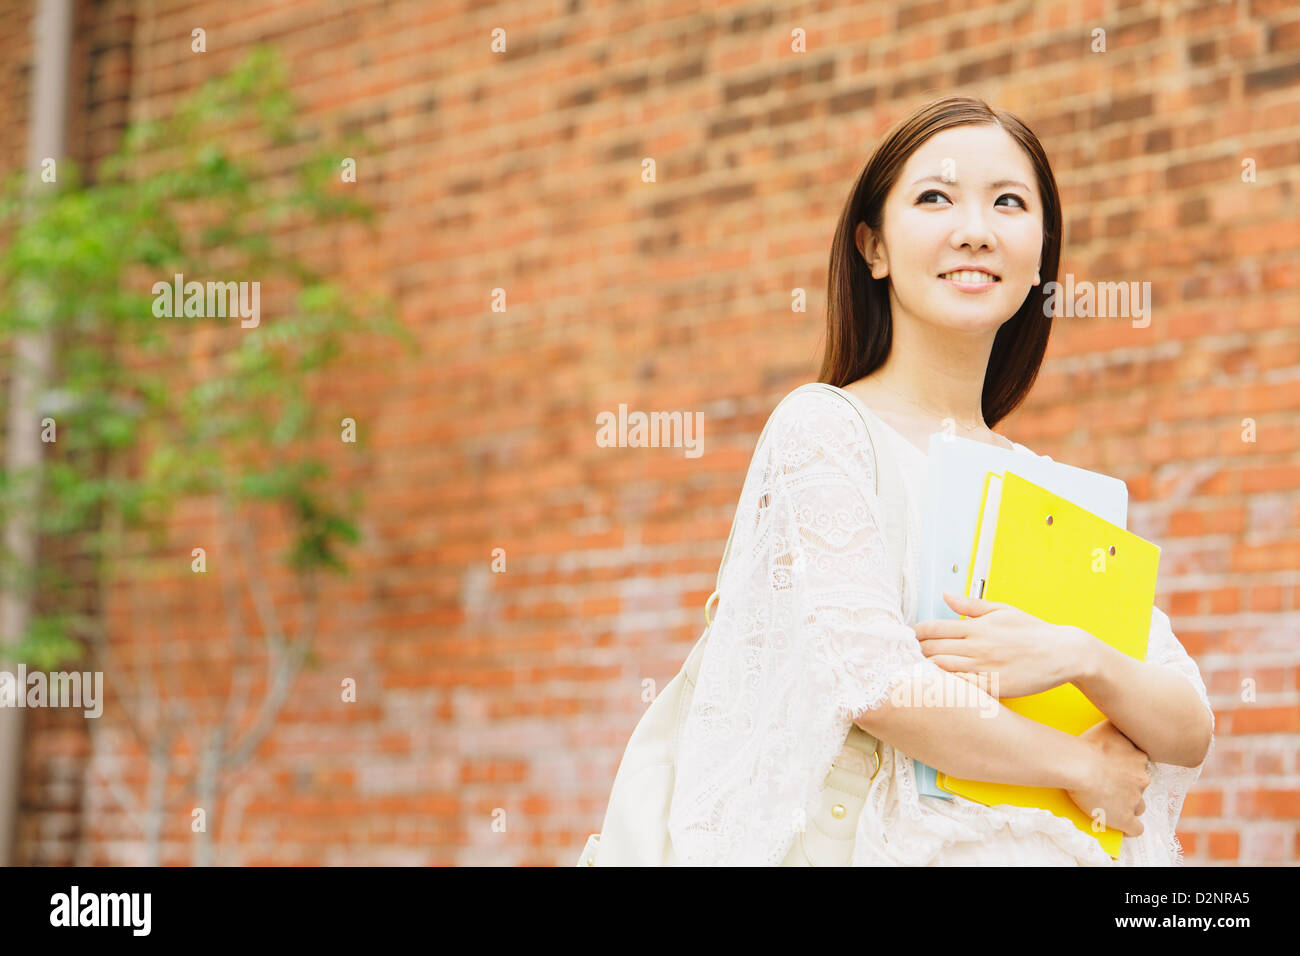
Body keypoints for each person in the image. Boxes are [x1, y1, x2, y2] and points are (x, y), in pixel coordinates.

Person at [667, 96, 1214, 866]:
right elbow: (877, 680)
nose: (975, 230)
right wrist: (1078, 766)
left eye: (1009, 203)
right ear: (874, 246)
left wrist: (1078, 656)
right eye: (935, 197)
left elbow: (1188, 725)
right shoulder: (824, 429)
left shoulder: (1051, 491)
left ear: (1039, 256)